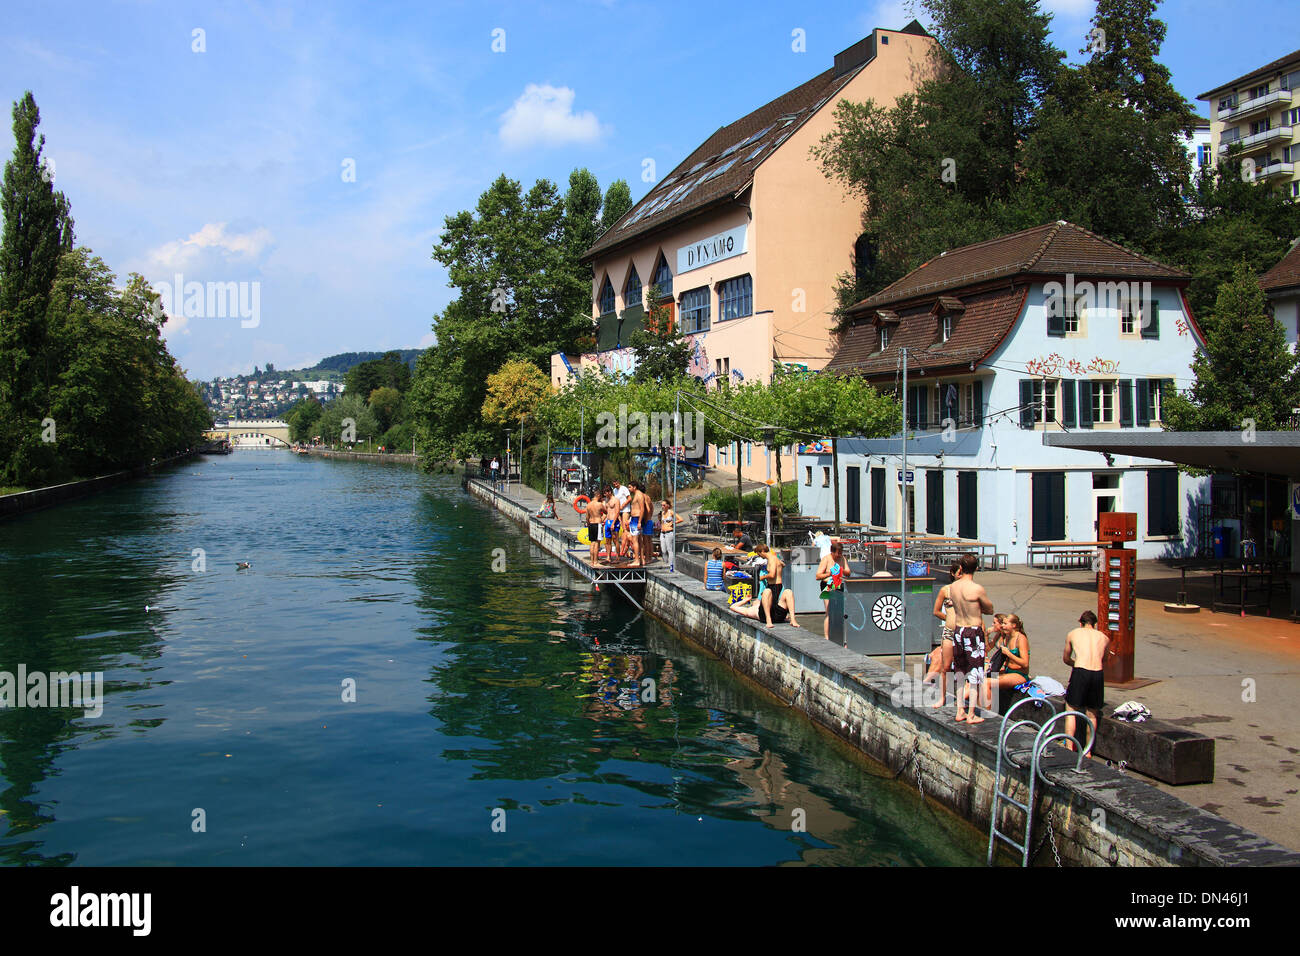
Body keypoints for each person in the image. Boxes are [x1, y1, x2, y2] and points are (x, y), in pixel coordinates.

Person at [949, 552, 993, 723]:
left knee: (960, 672)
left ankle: (960, 710)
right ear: (976, 568)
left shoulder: (953, 587)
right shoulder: (977, 589)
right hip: (973, 631)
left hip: (958, 630)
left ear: (961, 568)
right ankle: (972, 714)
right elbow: (989, 609)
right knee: (975, 675)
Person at [1063, 610, 1111, 754]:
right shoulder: (1104, 638)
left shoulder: (1073, 633)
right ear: (1095, 624)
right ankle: (1088, 751)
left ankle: (1069, 747)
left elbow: (1066, 658)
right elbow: (1105, 659)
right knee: (1092, 715)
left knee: (1071, 711)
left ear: (1081, 623)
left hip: (1080, 671)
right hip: (1097, 673)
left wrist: (1075, 663)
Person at [925, 561, 962, 709]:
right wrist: (949, 618)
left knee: (962, 667)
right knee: (945, 666)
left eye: (964, 572)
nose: (961, 575)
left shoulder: (969, 590)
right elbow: (936, 611)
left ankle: (961, 701)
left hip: (964, 631)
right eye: (959, 572)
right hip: (949, 632)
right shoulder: (945, 590)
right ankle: (942, 697)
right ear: (953, 573)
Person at [983, 613, 1030, 709]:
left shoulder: (1021, 638)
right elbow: (987, 649)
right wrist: (987, 635)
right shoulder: (1007, 636)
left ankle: (987, 714)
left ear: (1014, 625)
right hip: (1007, 671)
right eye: (1002, 623)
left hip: (1019, 674)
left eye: (1005, 624)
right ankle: (976, 709)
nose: (1002, 626)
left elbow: (1025, 663)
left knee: (986, 683)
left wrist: (1008, 653)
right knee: (981, 677)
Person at [815, 540, 851, 641]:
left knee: (841, 611)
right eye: (838, 553)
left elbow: (848, 572)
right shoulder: (826, 559)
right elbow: (818, 576)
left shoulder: (842, 558)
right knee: (829, 611)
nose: (839, 555)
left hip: (838, 585)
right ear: (832, 552)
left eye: (841, 553)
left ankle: (841, 635)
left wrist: (841, 570)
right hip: (827, 585)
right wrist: (829, 573)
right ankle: (827, 636)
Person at [585, 492, 605, 566]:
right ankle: (596, 562)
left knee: (592, 543)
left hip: (591, 524)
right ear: (598, 495)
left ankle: (592, 561)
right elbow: (606, 512)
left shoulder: (588, 505)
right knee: (596, 543)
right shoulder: (599, 504)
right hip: (598, 523)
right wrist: (602, 518)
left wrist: (588, 523)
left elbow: (587, 517)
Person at [658, 500, 677, 571]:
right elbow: (662, 522)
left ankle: (671, 565)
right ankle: (665, 563)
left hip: (669, 532)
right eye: (661, 505)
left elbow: (681, 519)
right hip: (662, 533)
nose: (662, 507)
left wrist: (673, 523)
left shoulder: (670, 512)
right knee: (663, 550)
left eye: (664, 505)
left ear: (668, 505)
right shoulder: (662, 513)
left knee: (669, 549)